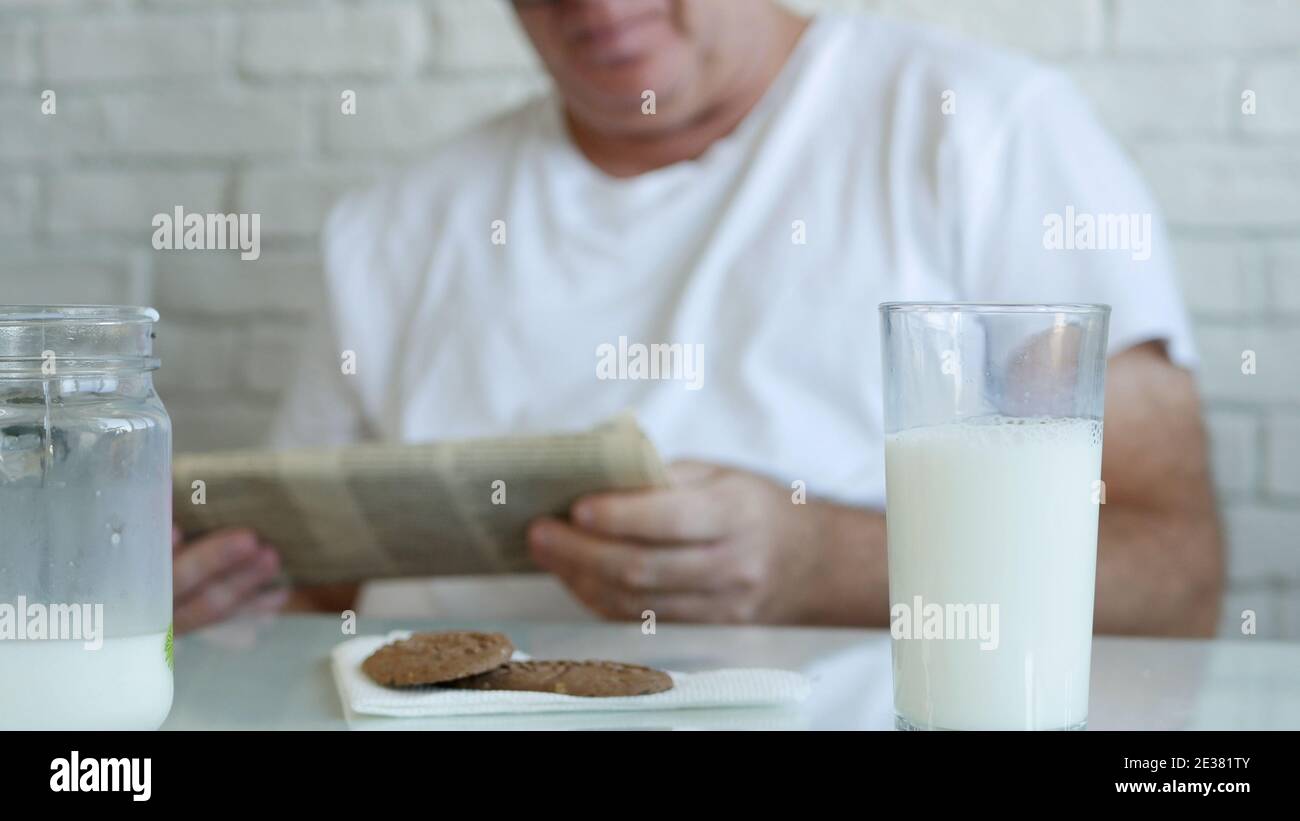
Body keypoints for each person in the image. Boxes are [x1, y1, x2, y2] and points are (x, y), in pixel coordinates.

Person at [173, 0, 1222, 637]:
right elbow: (310, 595)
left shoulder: (981, 132)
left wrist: (817, 562)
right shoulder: (394, 225)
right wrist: (216, 602)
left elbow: (1172, 569)